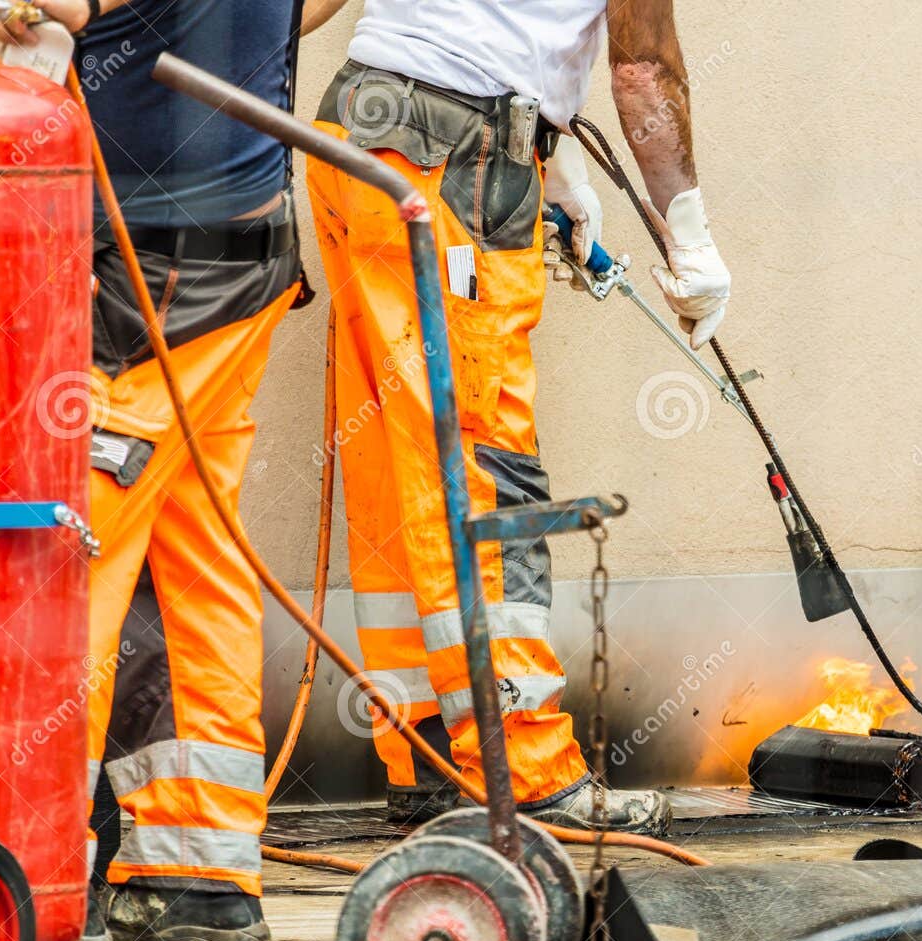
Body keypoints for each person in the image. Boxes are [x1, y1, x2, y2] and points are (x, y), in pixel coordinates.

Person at [306, 0, 731, 834]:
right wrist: (690, 232)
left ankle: (427, 752)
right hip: (457, 155)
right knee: (480, 459)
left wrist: (550, 156)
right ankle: (523, 765)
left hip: (361, 133)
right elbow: (643, 68)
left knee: (401, 459)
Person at [13, 0, 338, 941]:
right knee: (198, 553)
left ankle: (37, 879)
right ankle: (201, 876)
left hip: (150, 280)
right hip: (244, 270)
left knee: (79, 560)